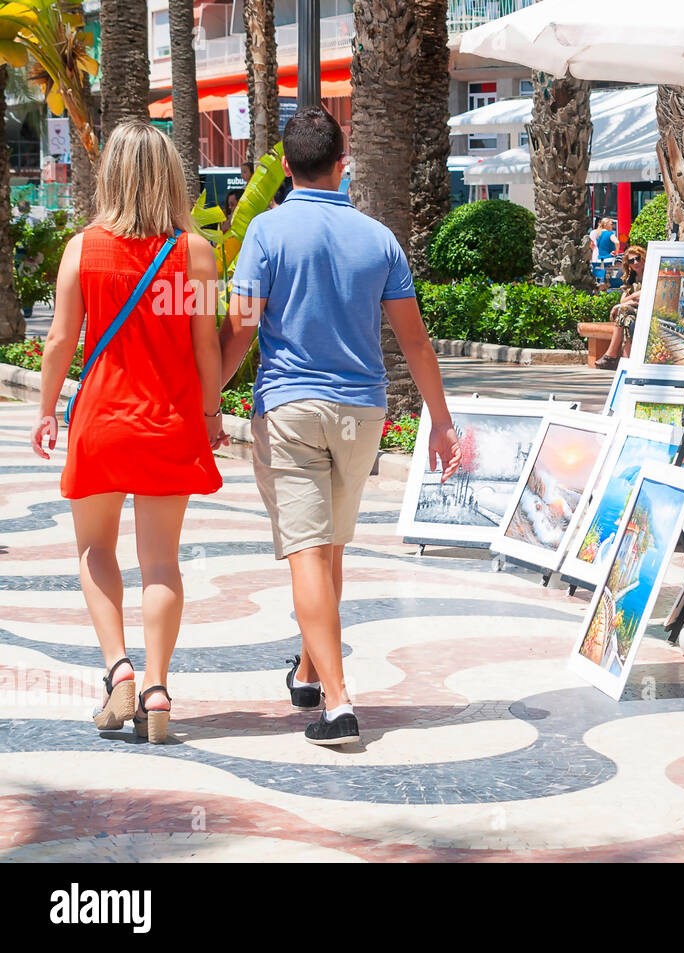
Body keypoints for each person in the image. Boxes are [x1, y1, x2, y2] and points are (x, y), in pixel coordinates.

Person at [219, 108, 461, 746]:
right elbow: (415, 342)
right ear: (340, 162)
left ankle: (337, 700)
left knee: (306, 552)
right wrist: (440, 422)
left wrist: (204, 400)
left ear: (285, 167)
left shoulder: (265, 234)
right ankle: (306, 668)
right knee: (328, 549)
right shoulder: (378, 238)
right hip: (364, 413)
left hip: (292, 408)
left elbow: (240, 329)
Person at [29, 121, 226, 743]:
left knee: (94, 551)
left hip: (102, 423)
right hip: (168, 423)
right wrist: (212, 414)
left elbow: (61, 340)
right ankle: (158, 689)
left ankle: (119, 668)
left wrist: (44, 410)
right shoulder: (196, 253)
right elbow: (206, 350)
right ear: (170, 176)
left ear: (110, 174)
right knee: (162, 561)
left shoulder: (81, 249)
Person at [594, 245, 646, 370]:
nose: (635, 263)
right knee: (627, 318)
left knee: (623, 311)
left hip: (646, 310)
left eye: (638, 258)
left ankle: (611, 356)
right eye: (631, 261)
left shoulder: (650, 274)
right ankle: (625, 359)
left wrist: (627, 301)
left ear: (643, 257)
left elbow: (645, 295)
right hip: (632, 311)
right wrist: (631, 299)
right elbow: (623, 299)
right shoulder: (631, 278)